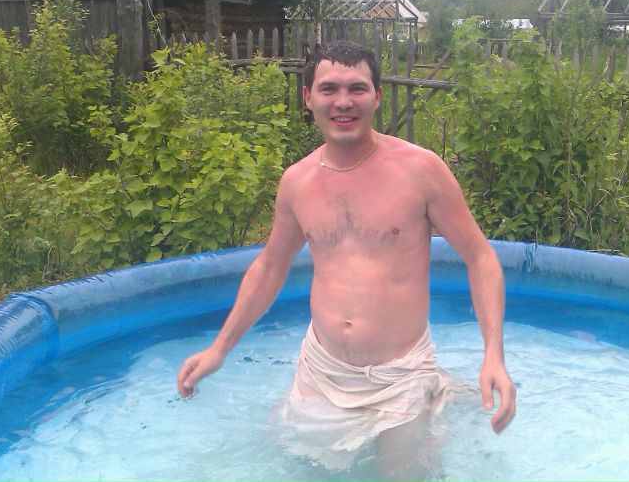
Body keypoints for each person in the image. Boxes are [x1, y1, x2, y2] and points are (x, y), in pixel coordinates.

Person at [177, 40, 516, 476]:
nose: (343, 102)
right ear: (308, 98)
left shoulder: (421, 171)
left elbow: (480, 257)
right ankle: (441, 393)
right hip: (322, 371)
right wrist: (219, 348)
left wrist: (494, 355)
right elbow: (270, 266)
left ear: (377, 96)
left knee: (404, 475)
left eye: (357, 88)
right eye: (329, 88)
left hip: (401, 374)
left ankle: (433, 393)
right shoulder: (297, 182)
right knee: (298, 470)